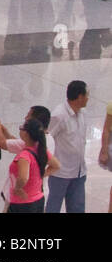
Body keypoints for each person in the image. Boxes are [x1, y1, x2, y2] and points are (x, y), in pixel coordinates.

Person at [47, 80, 91, 213]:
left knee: (77, 208)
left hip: (79, 172)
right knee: (53, 207)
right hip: (60, 173)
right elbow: (47, 138)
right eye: (87, 95)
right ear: (79, 97)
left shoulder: (82, 113)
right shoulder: (59, 115)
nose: (88, 98)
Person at [5, 118, 50, 213]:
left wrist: (18, 188)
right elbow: (56, 166)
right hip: (38, 199)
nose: (20, 130)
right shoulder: (41, 150)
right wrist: (40, 175)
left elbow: (23, 178)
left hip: (22, 203)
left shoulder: (24, 156)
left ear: (26, 133)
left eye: (22, 128)